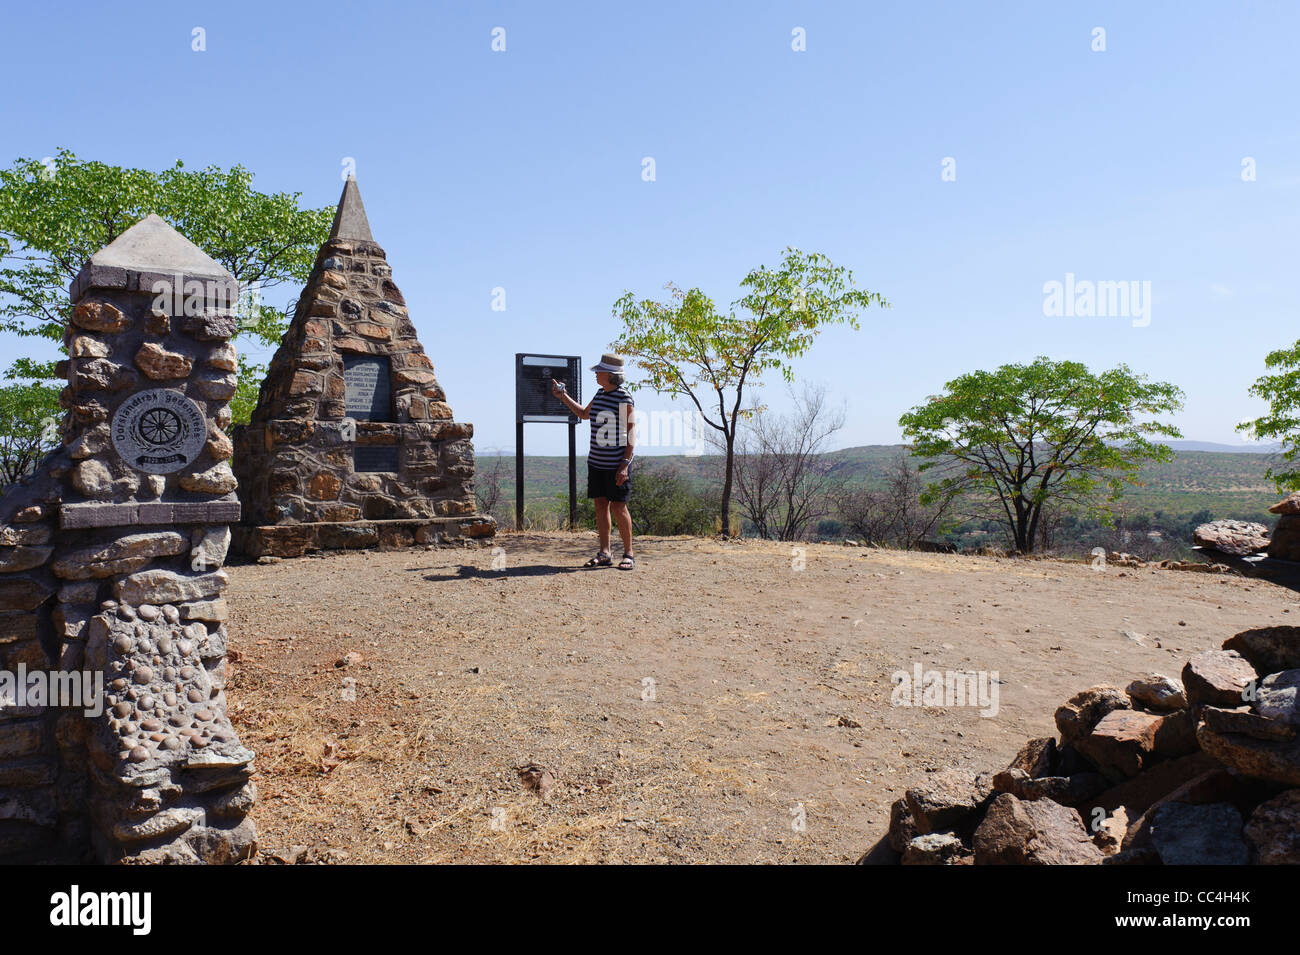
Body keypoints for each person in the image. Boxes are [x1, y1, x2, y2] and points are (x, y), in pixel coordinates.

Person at [551, 353, 636, 570]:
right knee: (600, 505)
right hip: (596, 463)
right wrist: (563, 396)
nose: (596, 374)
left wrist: (625, 464)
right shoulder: (599, 394)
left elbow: (631, 433)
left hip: (616, 464)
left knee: (619, 507)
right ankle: (605, 553)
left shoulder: (624, 398)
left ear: (610, 375)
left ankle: (629, 553)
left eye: (599, 371)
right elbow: (583, 413)